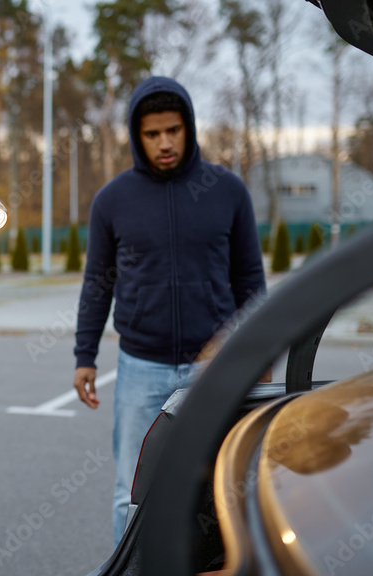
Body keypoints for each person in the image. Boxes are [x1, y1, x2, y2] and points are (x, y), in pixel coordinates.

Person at [72, 76, 266, 546]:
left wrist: (258, 354)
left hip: (215, 368)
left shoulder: (228, 191)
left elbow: (250, 282)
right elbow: (97, 285)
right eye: (152, 134)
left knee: (225, 487)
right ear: (137, 136)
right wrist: (85, 356)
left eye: (173, 131)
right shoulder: (112, 201)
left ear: (190, 128)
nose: (164, 143)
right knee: (132, 494)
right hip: (142, 369)